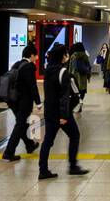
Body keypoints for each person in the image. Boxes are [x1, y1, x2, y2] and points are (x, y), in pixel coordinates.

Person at [37, 45, 89, 179]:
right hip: (61, 113)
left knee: (48, 140)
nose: (66, 57)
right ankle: (73, 166)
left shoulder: (48, 70)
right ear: (62, 56)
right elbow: (65, 97)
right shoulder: (63, 72)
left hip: (49, 111)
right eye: (65, 54)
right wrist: (64, 115)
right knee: (75, 135)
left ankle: (43, 170)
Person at [1, 43, 41, 162]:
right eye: (36, 55)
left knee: (21, 124)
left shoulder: (16, 64)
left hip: (12, 100)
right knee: (20, 125)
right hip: (23, 101)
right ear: (32, 55)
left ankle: (29, 145)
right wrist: (38, 102)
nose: (37, 58)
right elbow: (32, 86)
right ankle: (8, 152)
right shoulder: (28, 67)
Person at [70, 41, 91, 114]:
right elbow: (88, 66)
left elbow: (70, 67)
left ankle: (76, 105)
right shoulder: (85, 55)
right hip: (83, 76)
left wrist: (69, 75)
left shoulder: (73, 56)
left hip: (74, 76)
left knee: (75, 91)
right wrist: (88, 76)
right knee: (82, 91)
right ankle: (80, 104)